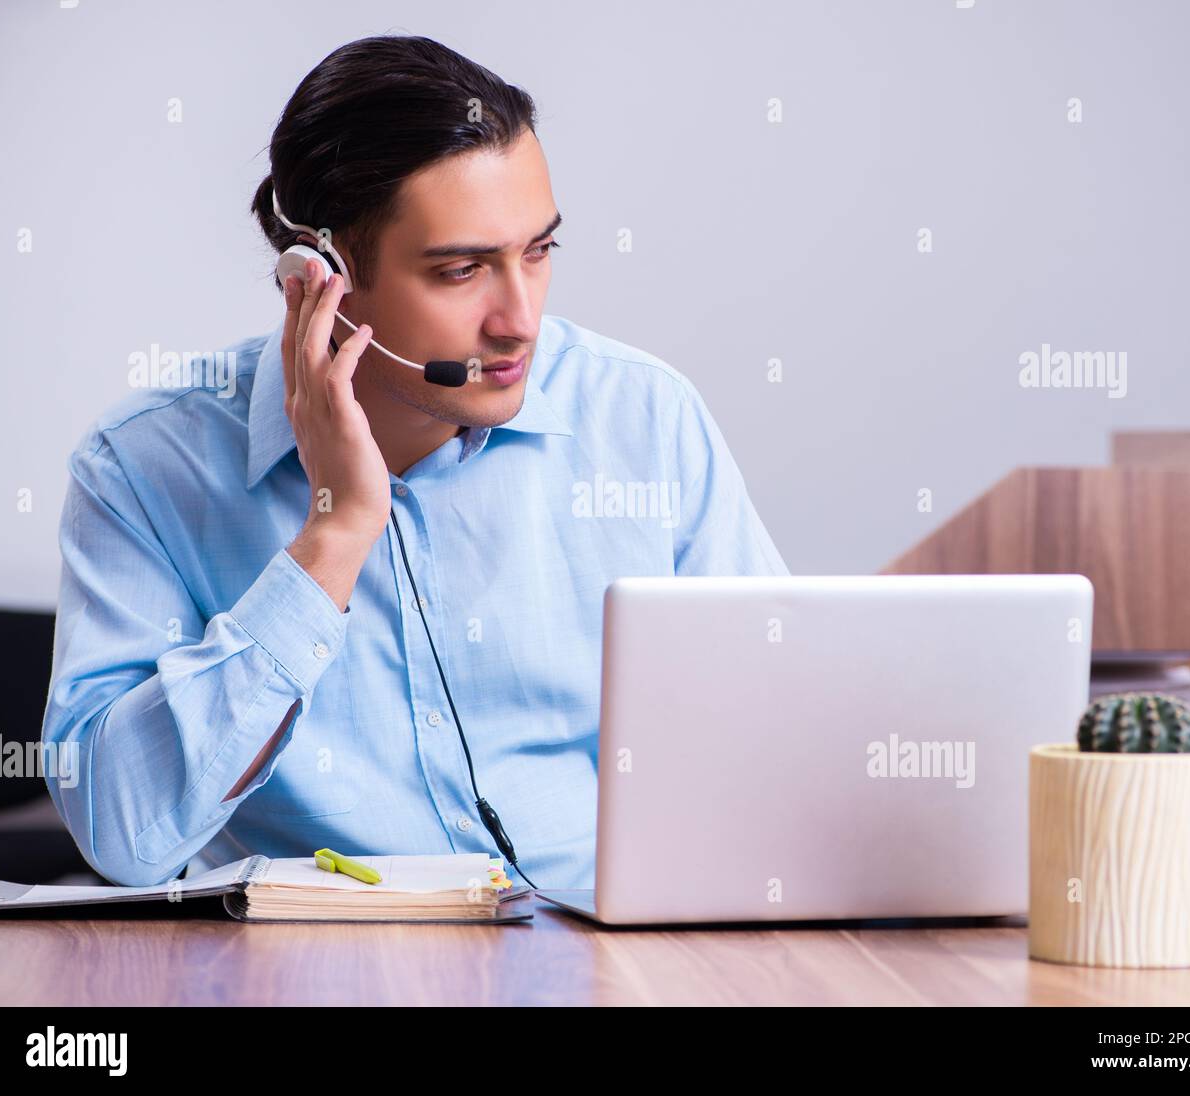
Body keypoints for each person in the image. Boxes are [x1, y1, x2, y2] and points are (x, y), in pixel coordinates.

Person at [41, 35, 788, 889]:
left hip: (607, 958)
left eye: (538, 252)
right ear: (318, 278)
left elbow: (775, 735)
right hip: (314, 974)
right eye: (463, 269)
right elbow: (121, 835)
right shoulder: (141, 468)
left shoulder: (644, 420)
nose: (519, 320)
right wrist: (334, 535)